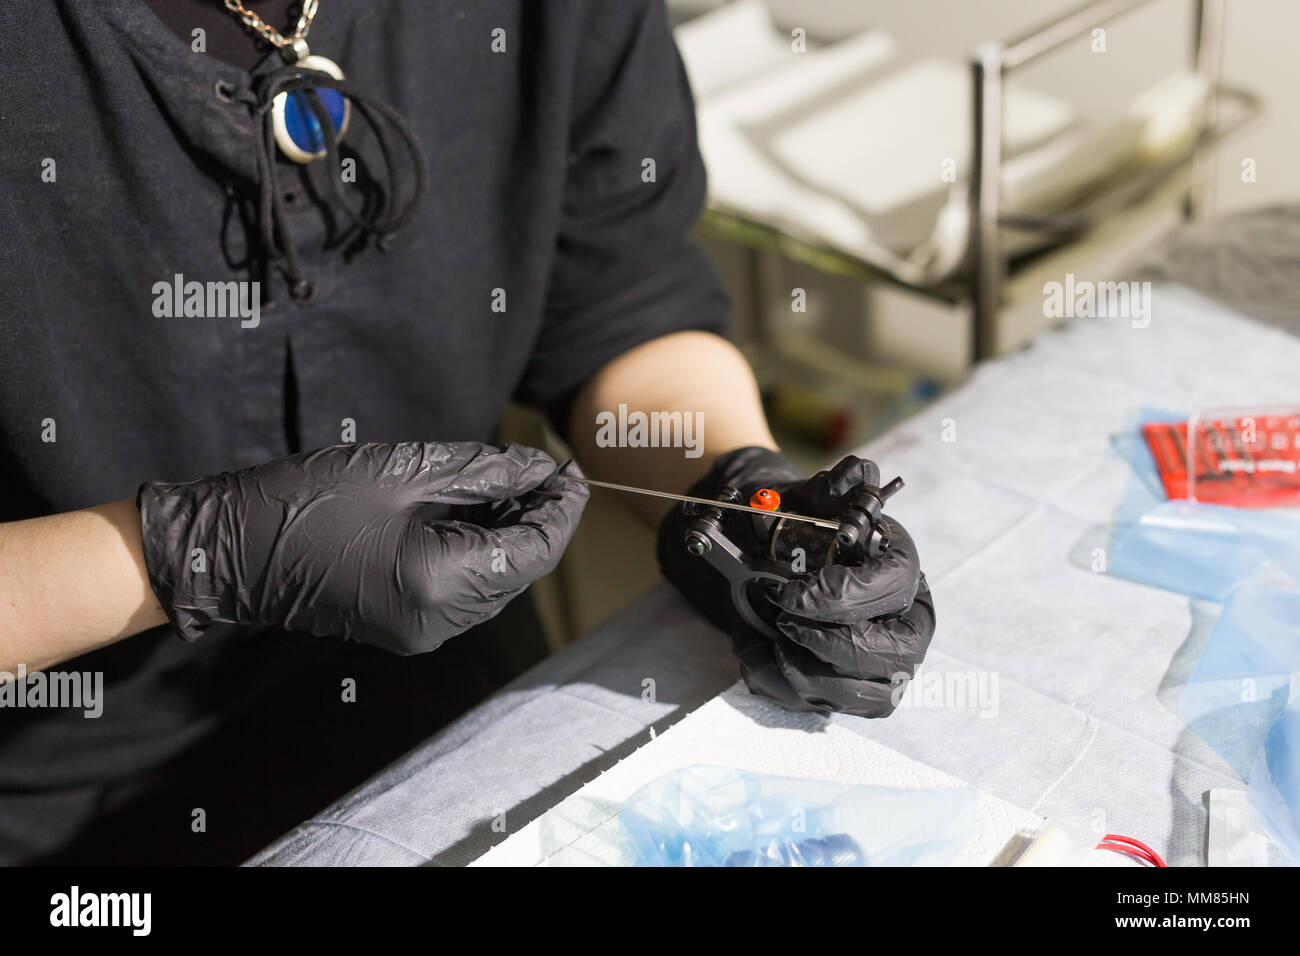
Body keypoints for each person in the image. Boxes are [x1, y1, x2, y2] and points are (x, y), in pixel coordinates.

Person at [0, 0, 934, 864]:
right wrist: (192, 554)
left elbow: (616, 298)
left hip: (463, 715)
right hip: (61, 807)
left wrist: (738, 498)